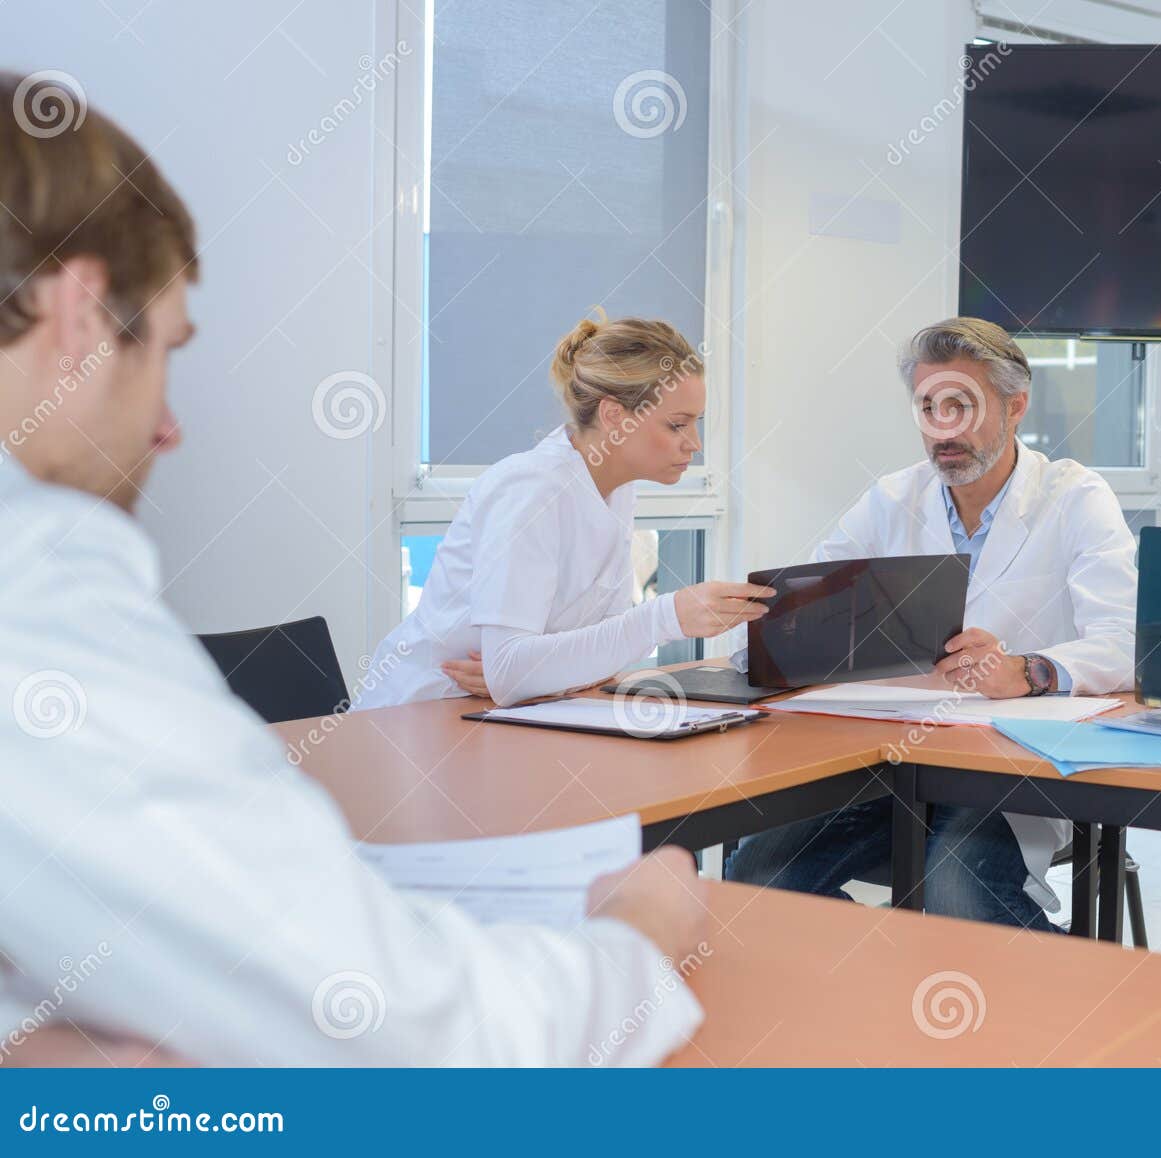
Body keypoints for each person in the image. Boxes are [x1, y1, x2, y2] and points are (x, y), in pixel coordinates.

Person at [0, 71, 707, 1065]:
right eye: (165, 351)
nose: (168, 426)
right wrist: (635, 940)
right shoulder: (33, 587)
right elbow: (399, 1025)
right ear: (78, 318)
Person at [726, 317, 1137, 931]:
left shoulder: (1075, 497)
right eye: (929, 407)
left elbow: (1128, 640)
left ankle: (1051, 1012)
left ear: (1015, 405)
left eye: (962, 406)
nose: (944, 429)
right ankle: (890, 991)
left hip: (1007, 773)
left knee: (953, 889)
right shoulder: (893, 498)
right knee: (758, 875)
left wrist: (1027, 670)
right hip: (888, 768)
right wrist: (763, 641)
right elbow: (788, 609)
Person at [354, 314, 772, 709]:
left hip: (508, 715)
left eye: (696, 423)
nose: (694, 444)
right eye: (677, 425)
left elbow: (587, 656)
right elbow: (512, 670)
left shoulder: (616, 490)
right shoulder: (532, 489)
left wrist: (533, 673)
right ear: (613, 416)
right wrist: (668, 616)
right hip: (421, 715)